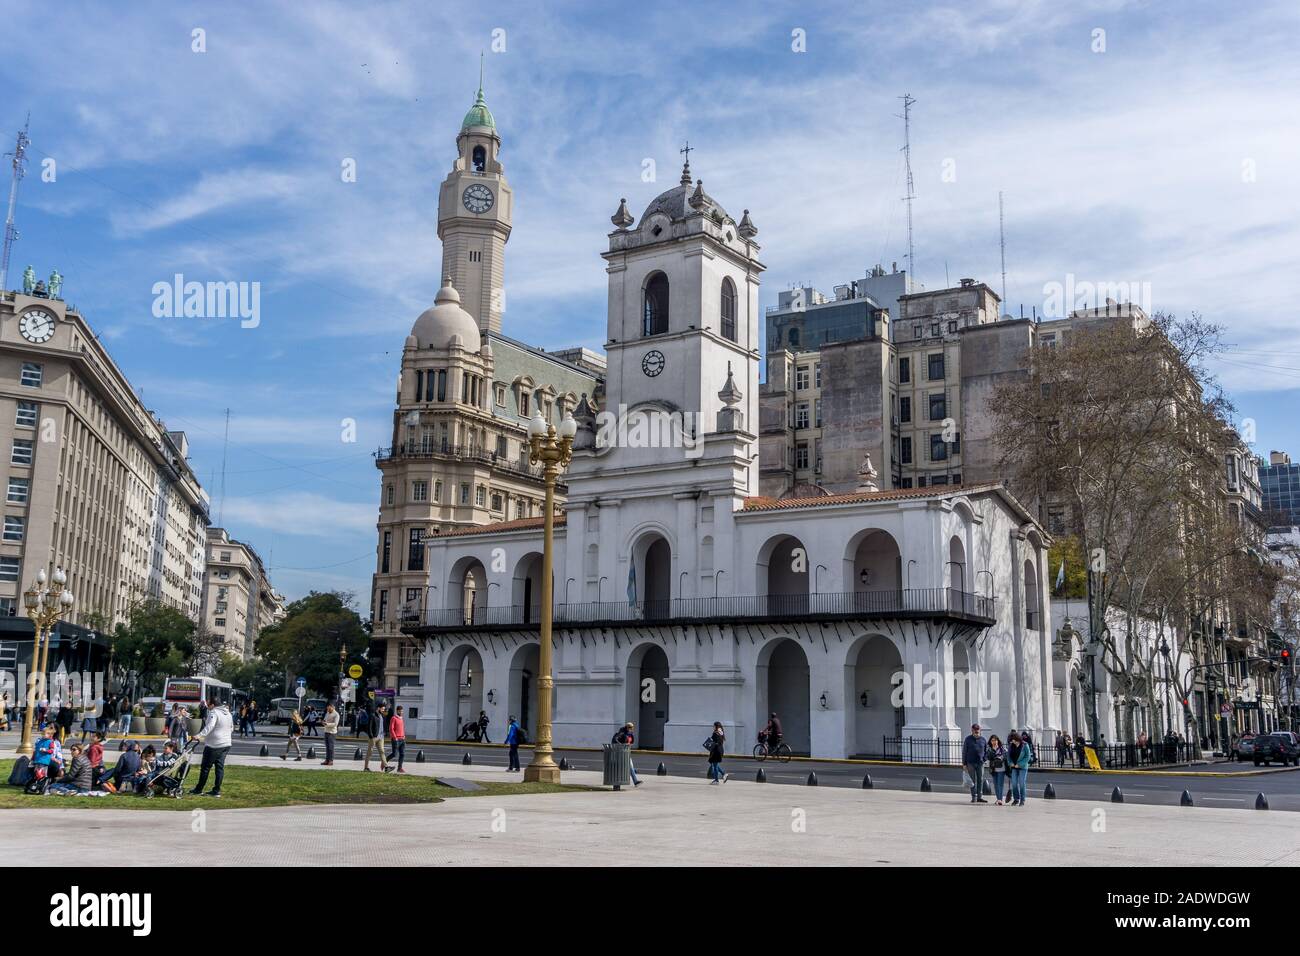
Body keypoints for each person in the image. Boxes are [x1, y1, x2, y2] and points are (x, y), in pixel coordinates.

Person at [189, 696, 234, 798]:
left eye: (208, 704)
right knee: (219, 768)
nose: (207, 706)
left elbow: (209, 726)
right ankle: (216, 790)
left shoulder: (214, 712)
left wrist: (198, 735)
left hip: (214, 745)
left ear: (213, 705)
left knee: (205, 768)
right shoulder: (228, 713)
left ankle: (198, 789)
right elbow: (231, 728)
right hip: (226, 744)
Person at [962, 723, 988, 803]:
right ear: (972, 731)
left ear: (980, 731)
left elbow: (986, 751)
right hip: (970, 763)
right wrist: (964, 764)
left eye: (977, 731)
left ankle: (980, 797)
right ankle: (974, 797)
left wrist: (984, 759)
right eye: (974, 731)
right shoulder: (968, 739)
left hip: (980, 763)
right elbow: (964, 752)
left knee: (980, 779)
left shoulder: (983, 740)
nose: (976, 733)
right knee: (972, 781)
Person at [365, 704, 392, 773]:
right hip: (374, 737)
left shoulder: (382, 716)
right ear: (378, 708)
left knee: (382, 752)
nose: (383, 710)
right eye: (382, 709)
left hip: (381, 737)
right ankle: (366, 767)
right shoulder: (373, 715)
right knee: (370, 752)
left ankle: (386, 767)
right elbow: (369, 726)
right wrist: (371, 736)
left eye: (384, 709)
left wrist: (385, 733)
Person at [612, 721, 641, 786]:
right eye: (630, 727)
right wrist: (622, 745)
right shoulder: (622, 732)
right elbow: (615, 739)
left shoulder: (630, 733)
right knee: (629, 766)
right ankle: (635, 781)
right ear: (627, 727)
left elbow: (631, 741)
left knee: (631, 766)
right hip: (621, 752)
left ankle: (633, 773)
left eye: (632, 727)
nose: (631, 729)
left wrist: (629, 744)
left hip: (627, 752)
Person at [1008, 731, 1031, 806]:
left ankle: (1022, 800)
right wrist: (1010, 763)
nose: (1012, 741)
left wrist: (1020, 764)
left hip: (1022, 767)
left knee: (1021, 783)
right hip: (1014, 767)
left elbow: (1028, 757)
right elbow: (1009, 756)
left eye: (1013, 739)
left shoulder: (1025, 745)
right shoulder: (1011, 746)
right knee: (1014, 783)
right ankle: (1016, 799)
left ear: (1017, 739)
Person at [986, 734, 1008, 805]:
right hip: (993, 769)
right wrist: (993, 750)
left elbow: (1005, 756)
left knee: (1000, 784)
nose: (994, 742)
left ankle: (1000, 800)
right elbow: (988, 757)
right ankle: (998, 799)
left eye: (995, 740)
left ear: (998, 741)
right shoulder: (989, 749)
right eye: (992, 740)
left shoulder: (1002, 749)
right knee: (995, 785)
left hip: (1001, 769)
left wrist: (1000, 757)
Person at [387, 705, 408, 772]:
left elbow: (402, 728)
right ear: (397, 711)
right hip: (396, 739)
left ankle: (399, 768)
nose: (401, 712)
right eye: (400, 711)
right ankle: (385, 761)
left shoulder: (401, 718)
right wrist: (394, 737)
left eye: (402, 711)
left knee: (402, 754)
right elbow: (391, 729)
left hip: (402, 739)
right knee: (394, 754)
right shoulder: (394, 718)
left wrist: (404, 736)